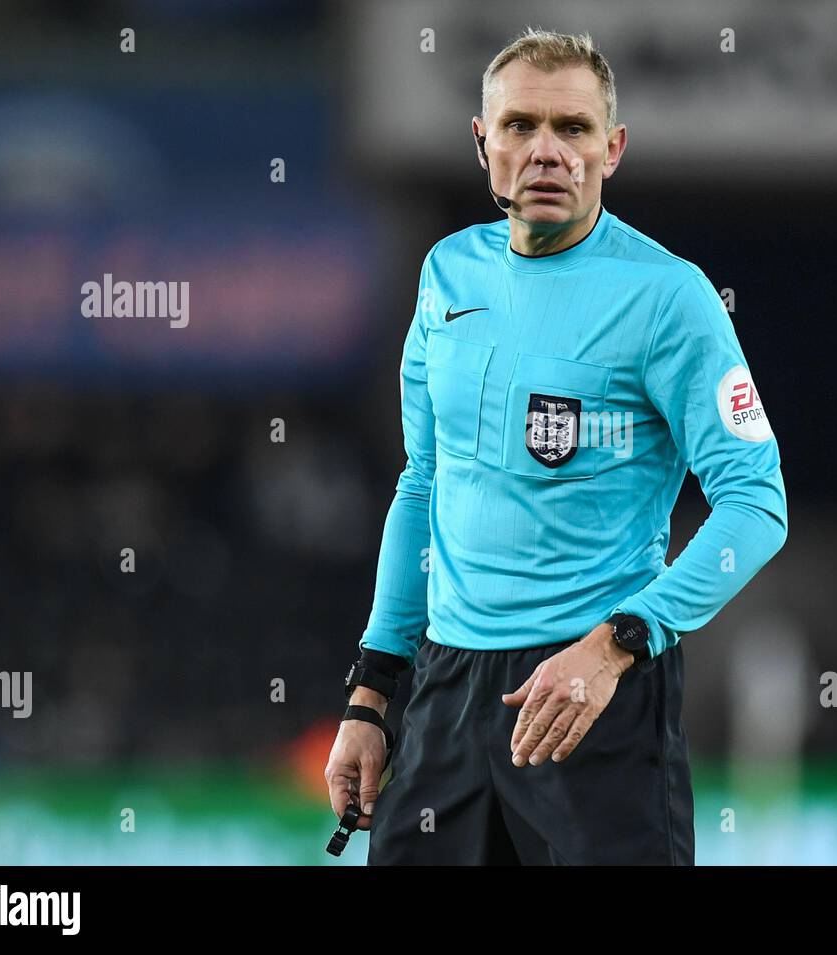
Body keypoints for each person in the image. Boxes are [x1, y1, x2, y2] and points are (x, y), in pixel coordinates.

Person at [325, 26, 787, 865]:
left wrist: (621, 642)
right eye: (521, 126)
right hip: (445, 697)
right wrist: (371, 693)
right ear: (482, 143)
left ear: (611, 150)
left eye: (572, 129)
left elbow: (757, 505)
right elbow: (421, 487)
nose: (547, 151)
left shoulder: (668, 299)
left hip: (595, 696)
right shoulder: (447, 276)